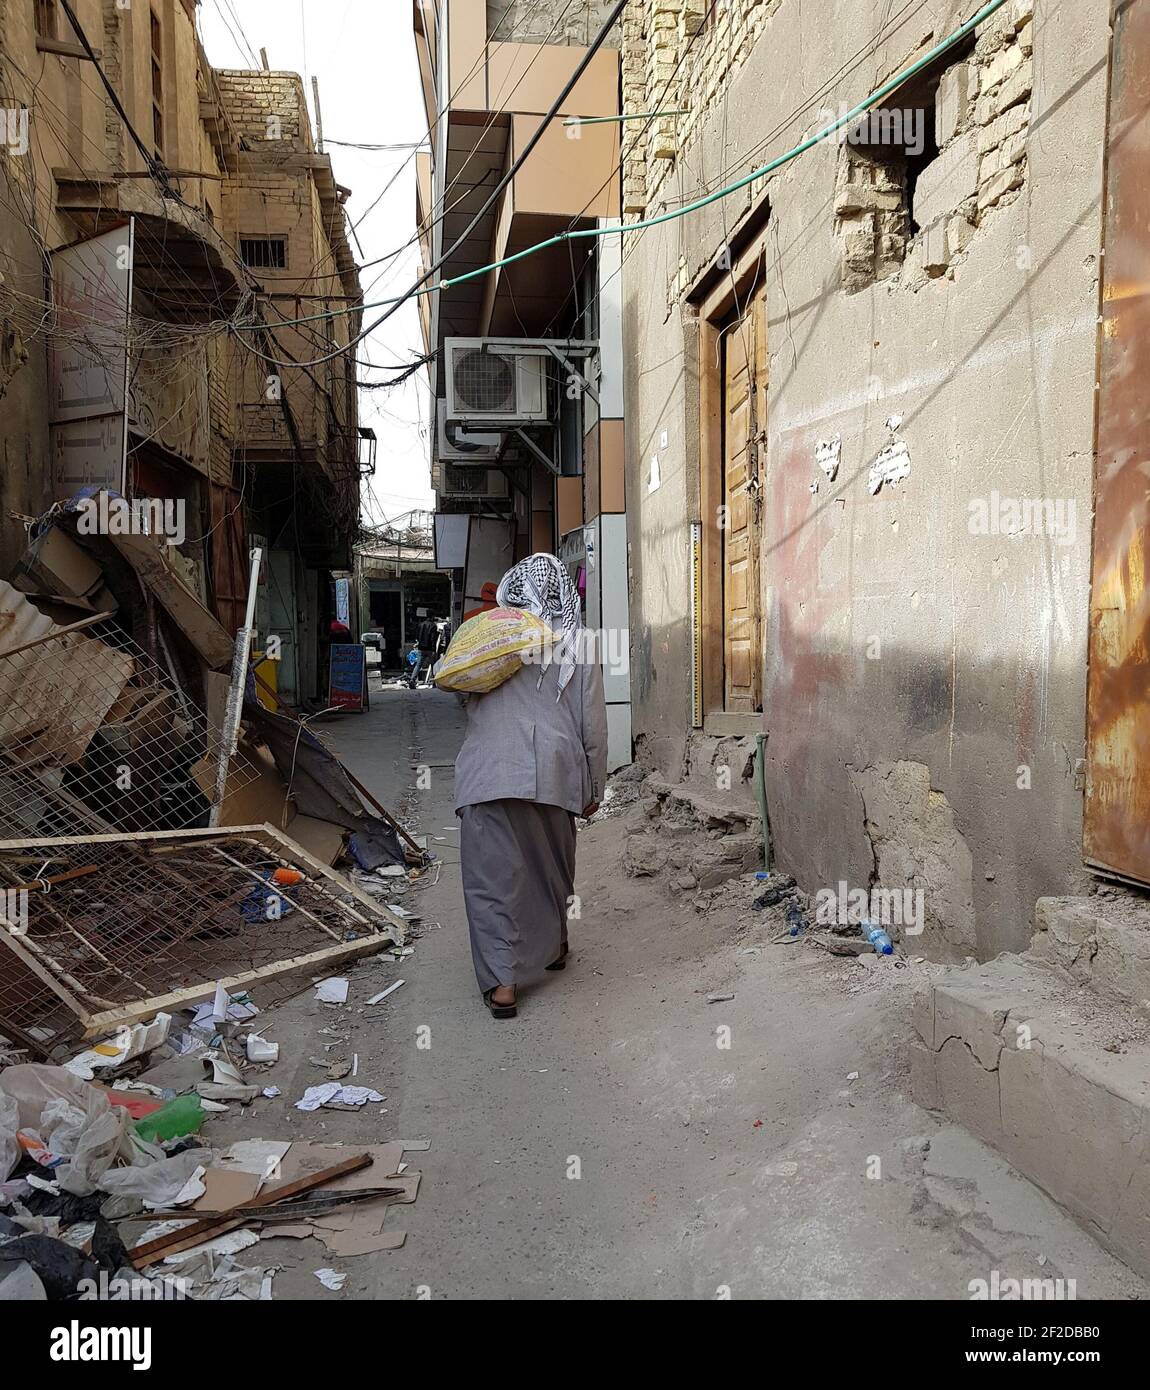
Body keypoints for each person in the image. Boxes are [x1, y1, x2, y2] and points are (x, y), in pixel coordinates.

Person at [454, 553, 607, 1019]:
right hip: (554, 774)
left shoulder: (488, 636)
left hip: (487, 771)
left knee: (491, 881)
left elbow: (462, 692)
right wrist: (593, 787)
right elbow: (593, 728)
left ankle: (503, 985)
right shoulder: (578, 644)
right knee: (550, 869)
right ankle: (555, 946)